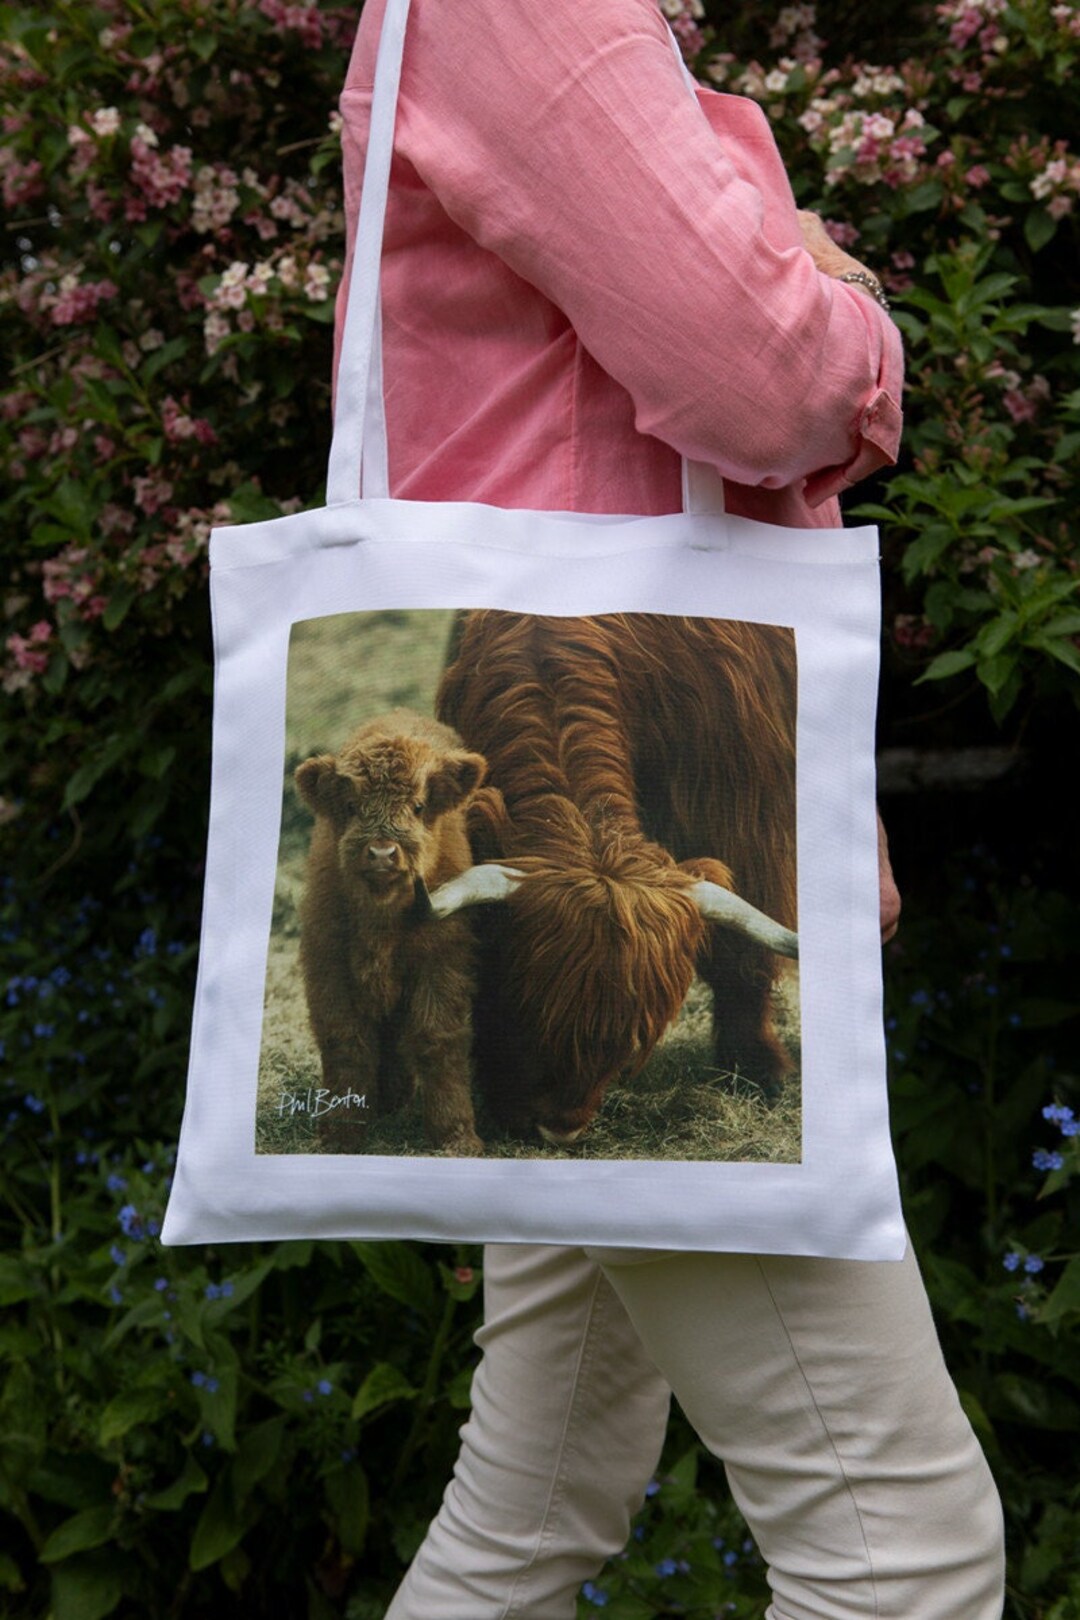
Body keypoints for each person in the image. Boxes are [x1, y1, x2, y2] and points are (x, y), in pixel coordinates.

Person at [335, 1, 1005, 1614]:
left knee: (530, 1502)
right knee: (900, 1555)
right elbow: (757, 372)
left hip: (580, 846)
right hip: (606, 803)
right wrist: (846, 308)